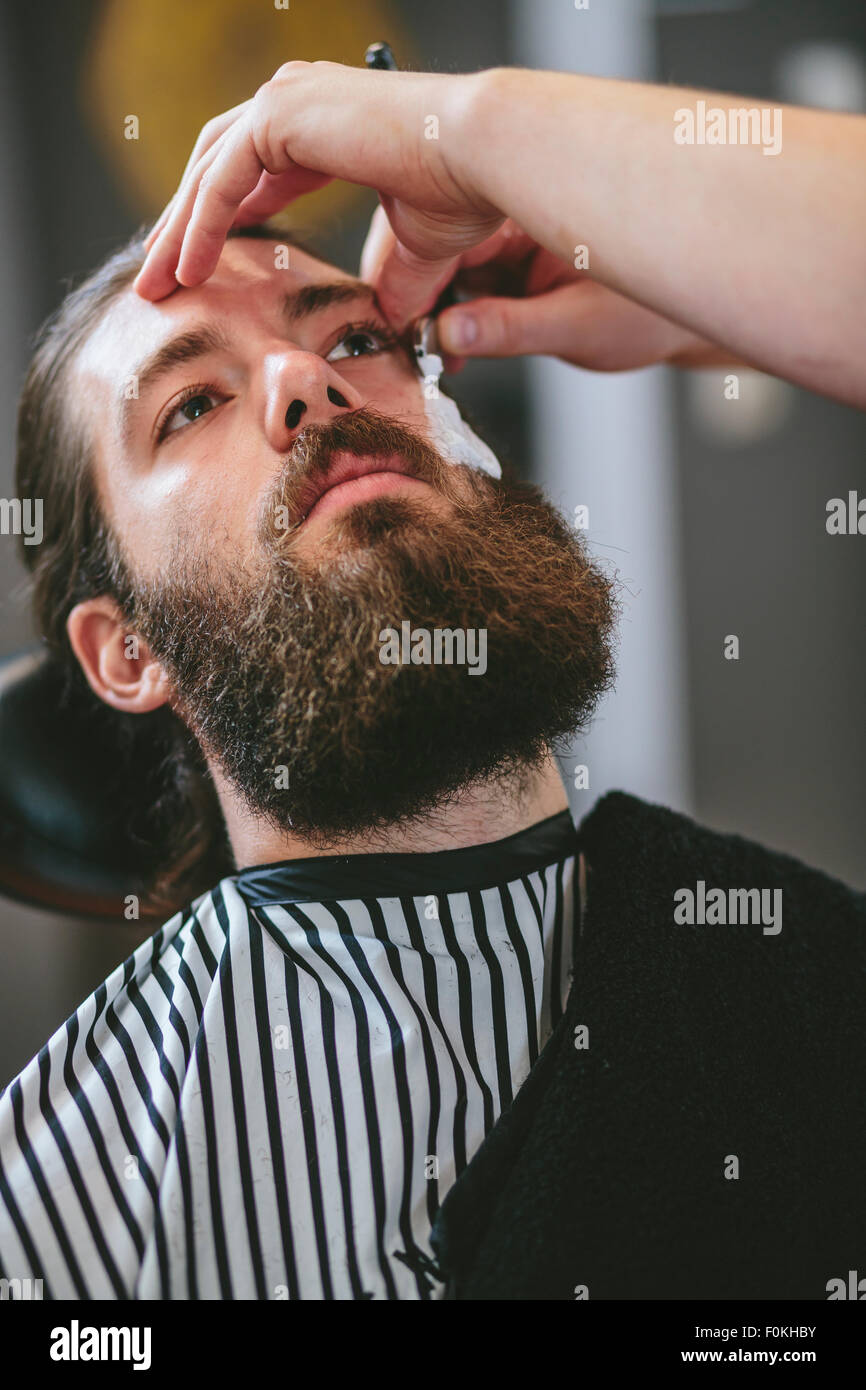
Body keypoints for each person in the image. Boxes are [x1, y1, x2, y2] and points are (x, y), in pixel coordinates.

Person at [0, 61, 863, 1302]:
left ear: (459, 443)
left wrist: (477, 136)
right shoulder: (62, 1214)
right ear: (125, 652)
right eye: (191, 402)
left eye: (355, 337)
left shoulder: (815, 997)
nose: (309, 383)